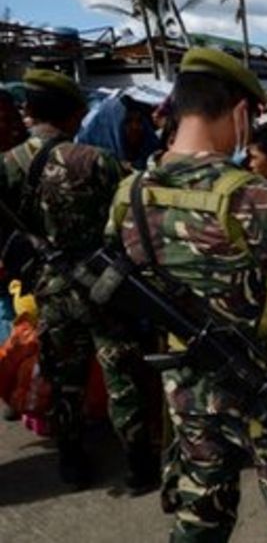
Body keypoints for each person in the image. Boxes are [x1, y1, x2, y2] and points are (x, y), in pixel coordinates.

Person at [105, 47, 267, 542]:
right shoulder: (254, 198)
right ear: (241, 112)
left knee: (199, 518)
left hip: (187, 384)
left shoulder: (129, 193)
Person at [0, 69, 158, 493]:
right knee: (121, 373)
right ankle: (140, 463)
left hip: (50, 287)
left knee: (62, 377)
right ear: (74, 116)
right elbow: (131, 217)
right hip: (104, 284)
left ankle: (72, 461)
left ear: (30, 111)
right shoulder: (97, 161)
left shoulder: (8, 166)